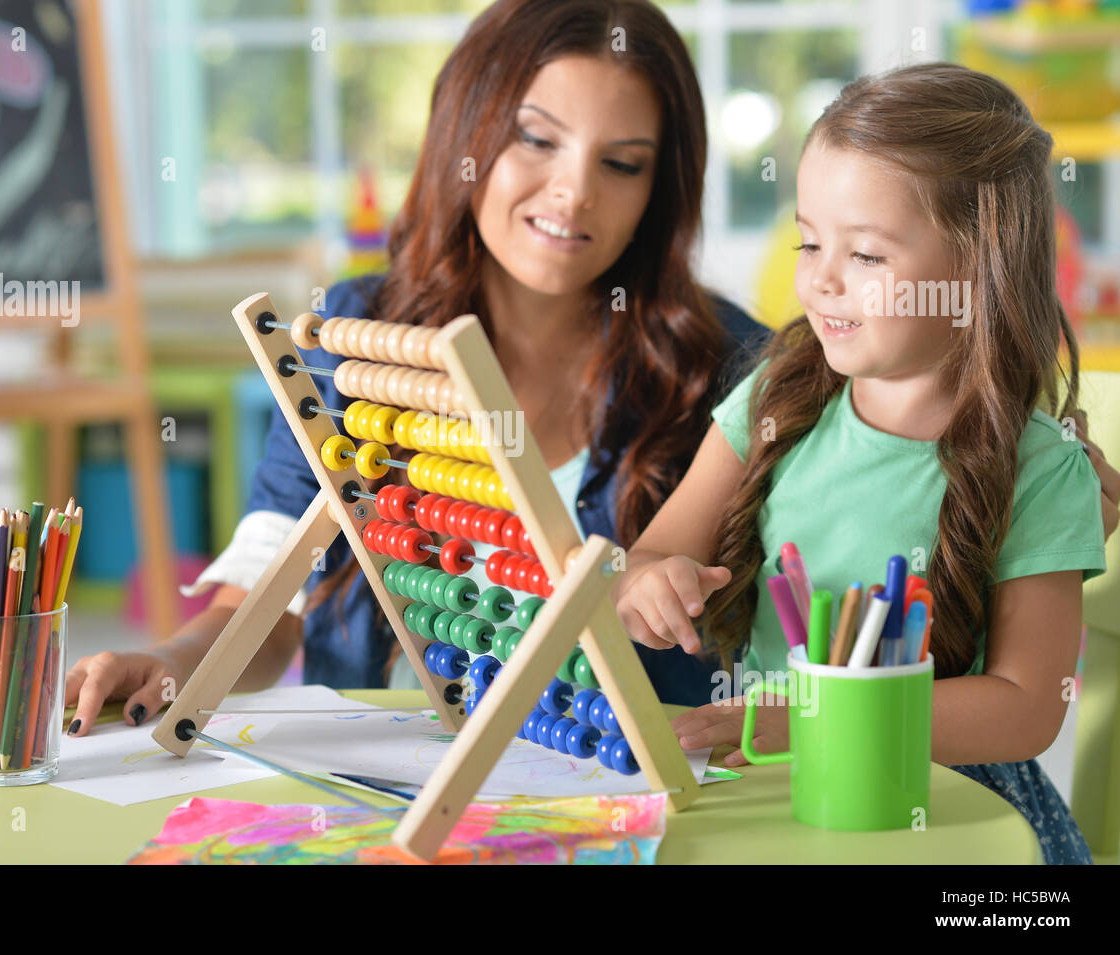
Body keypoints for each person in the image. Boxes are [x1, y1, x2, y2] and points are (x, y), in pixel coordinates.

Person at [65, 0, 772, 735]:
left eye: (622, 162)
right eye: (536, 139)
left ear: (660, 188)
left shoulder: (728, 367)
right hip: (390, 780)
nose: (574, 192)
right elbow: (267, 594)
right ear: (467, 133)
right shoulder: (354, 335)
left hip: (628, 787)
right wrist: (176, 658)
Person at [613, 63, 1115, 864]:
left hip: (942, 814)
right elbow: (651, 554)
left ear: (979, 266)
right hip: (778, 788)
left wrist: (812, 719)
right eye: (810, 241)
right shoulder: (774, 399)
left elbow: (1028, 706)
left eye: (868, 256)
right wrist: (649, 584)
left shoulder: (1044, 470)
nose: (821, 278)